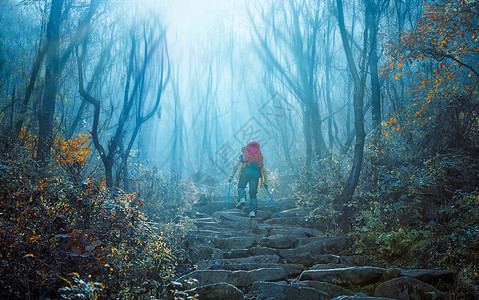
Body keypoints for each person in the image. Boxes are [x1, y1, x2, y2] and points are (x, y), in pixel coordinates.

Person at [228, 141, 268, 217]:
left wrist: (231, 176)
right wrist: (265, 182)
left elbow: (236, 165)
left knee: (241, 186)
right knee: (253, 193)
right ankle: (252, 211)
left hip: (246, 172)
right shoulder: (258, 156)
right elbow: (264, 170)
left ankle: (242, 198)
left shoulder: (242, 155)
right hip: (256, 173)